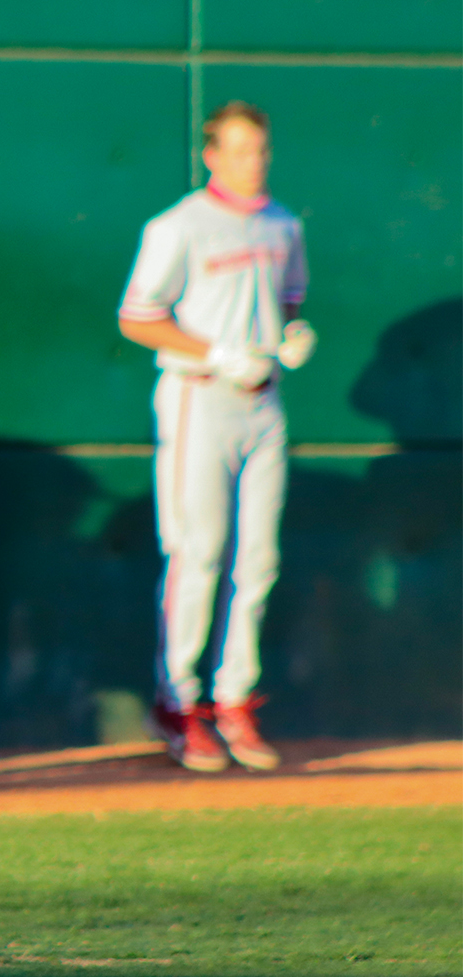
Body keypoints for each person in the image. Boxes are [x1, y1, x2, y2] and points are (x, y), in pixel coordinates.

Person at [118, 101, 310, 773]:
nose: (252, 162)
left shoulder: (283, 223)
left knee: (257, 560)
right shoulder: (179, 225)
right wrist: (218, 351)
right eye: (239, 150)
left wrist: (288, 334)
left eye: (259, 150)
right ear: (212, 154)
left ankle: (234, 699)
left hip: (264, 404)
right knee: (196, 553)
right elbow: (138, 317)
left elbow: (288, 299)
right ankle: (178, 701)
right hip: (200, 398)